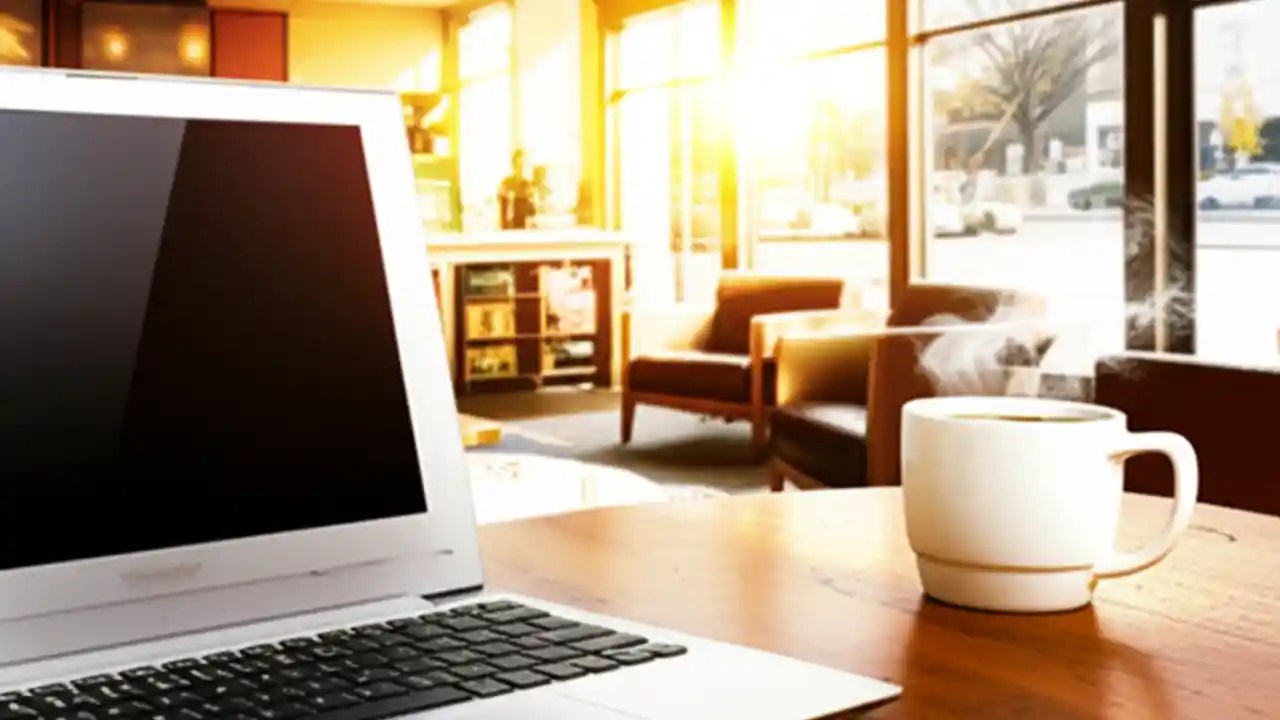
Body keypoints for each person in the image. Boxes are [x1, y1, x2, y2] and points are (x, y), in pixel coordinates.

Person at [497, 149, 536, 230]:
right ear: (513, 164)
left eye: (523, 165)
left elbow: (532, 211)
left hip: (526, 230)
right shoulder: (506, 183)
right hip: (509, 229)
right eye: (518, 165)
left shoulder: (528, 184)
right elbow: (503, 210)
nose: (521, 168)